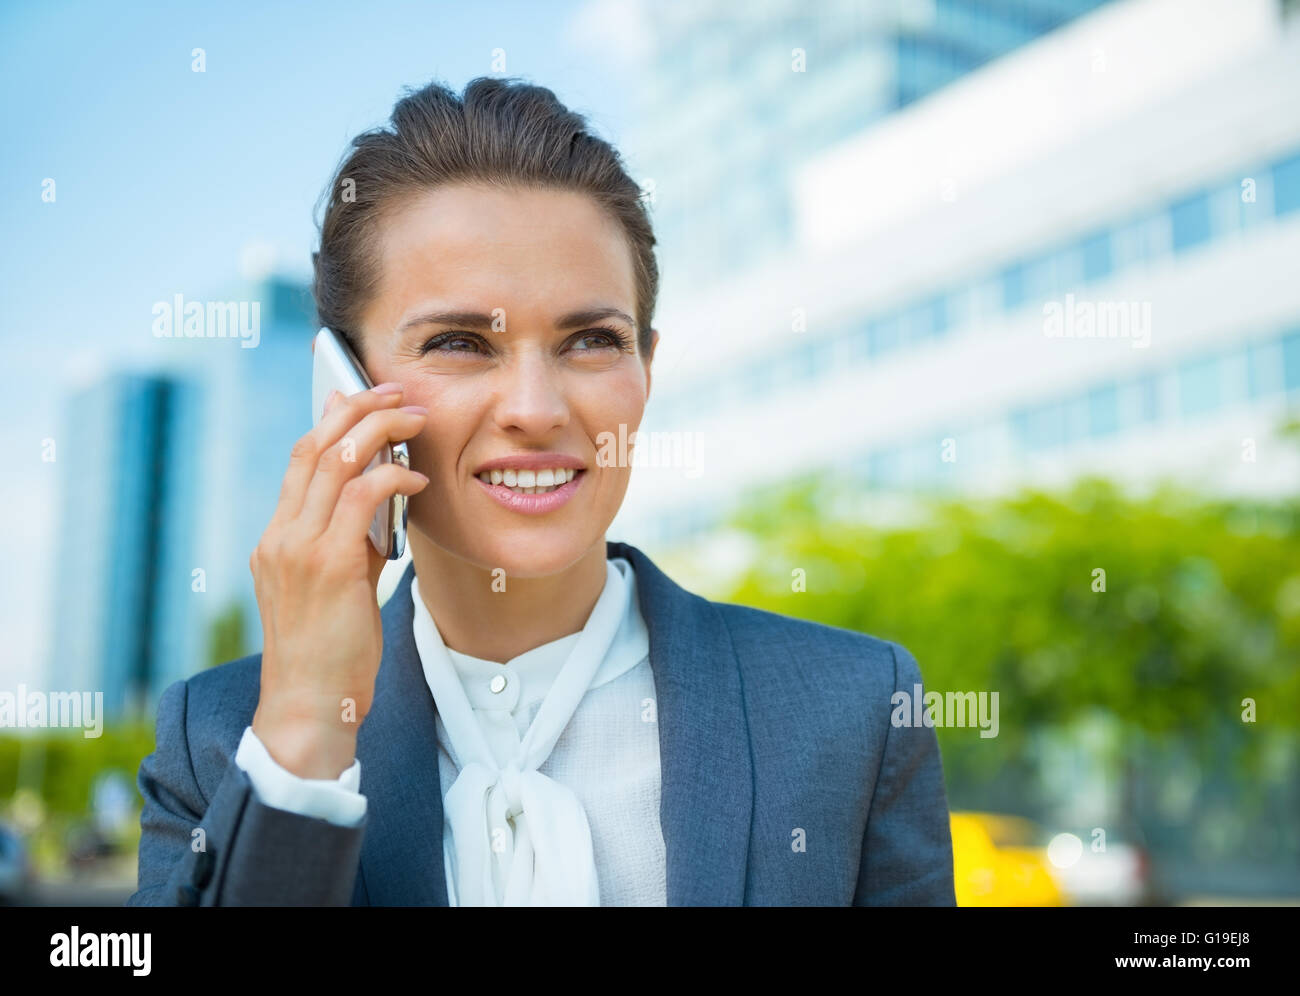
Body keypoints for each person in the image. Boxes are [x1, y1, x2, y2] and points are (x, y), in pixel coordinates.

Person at [127, 75, 956, 907]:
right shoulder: (224, 737)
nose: (536, 410)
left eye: (592, 340)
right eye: (459, 343)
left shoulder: (851, 709)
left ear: (647, 370)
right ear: (341, 388)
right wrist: (307, 734)